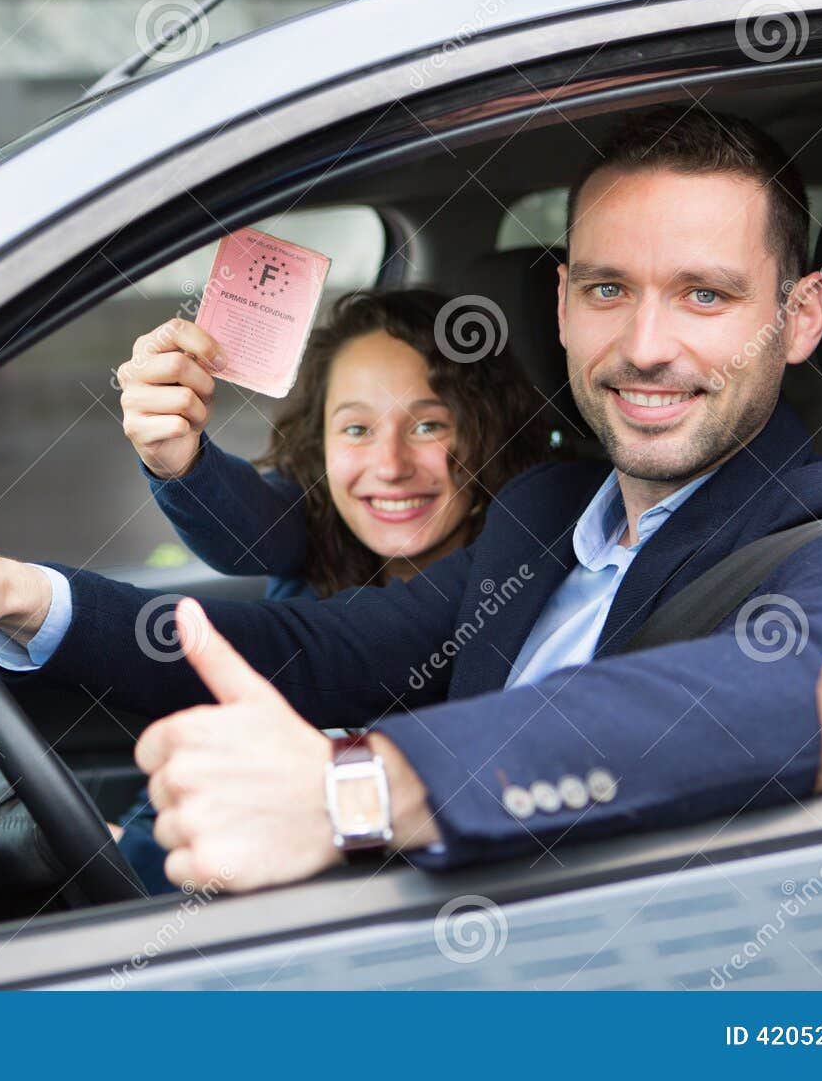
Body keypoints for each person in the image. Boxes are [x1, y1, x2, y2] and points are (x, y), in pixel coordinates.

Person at [0, 106, 822, 895]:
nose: (646, 345)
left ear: (801, 316)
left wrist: (355, 791)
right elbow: (310, 649)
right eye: (610, 288)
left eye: (706, 295)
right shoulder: (540, 517)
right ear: (562, 304)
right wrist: (16, 593)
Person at [110, 290, 552, 887]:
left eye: (428, 424)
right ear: (319, 445)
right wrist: (180, 461)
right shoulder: (314, 531)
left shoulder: (513, 578)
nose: (390, 465)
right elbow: (247, 522)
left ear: (486, 436)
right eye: (357, 428)